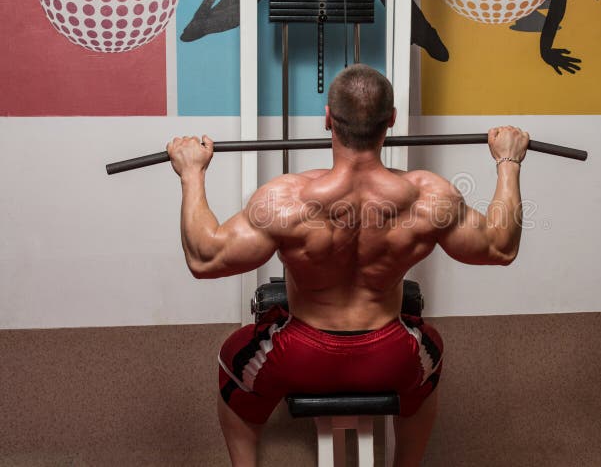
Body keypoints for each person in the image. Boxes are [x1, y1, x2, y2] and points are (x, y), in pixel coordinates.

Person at [166, 64, 529, 467]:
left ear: (327, 119)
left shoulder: (287, 200)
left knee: (233, 356)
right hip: (389, 353)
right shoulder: (430, 197)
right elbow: (500, 247)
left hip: (301, 354)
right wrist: (508, 164)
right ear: (390, 120)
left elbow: (205, 257)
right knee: (430, 353)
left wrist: (192, 174)